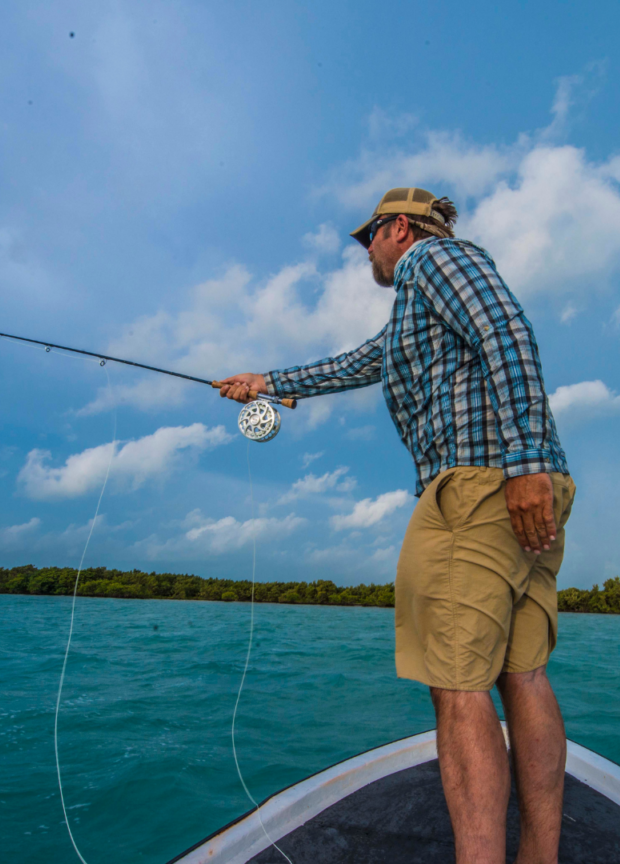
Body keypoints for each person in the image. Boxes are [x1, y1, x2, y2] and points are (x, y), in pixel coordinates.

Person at [217, 187, 575, 864]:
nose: (366, 252)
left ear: (399, 229)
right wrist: (267, 381)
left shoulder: (432, 262)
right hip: (526, 495)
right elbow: (358, 362)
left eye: (369, 237)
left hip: (482, 488)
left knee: (459, 684)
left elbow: (507, 330)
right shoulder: (418, 307)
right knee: (521, 674)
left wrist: (522, 461)